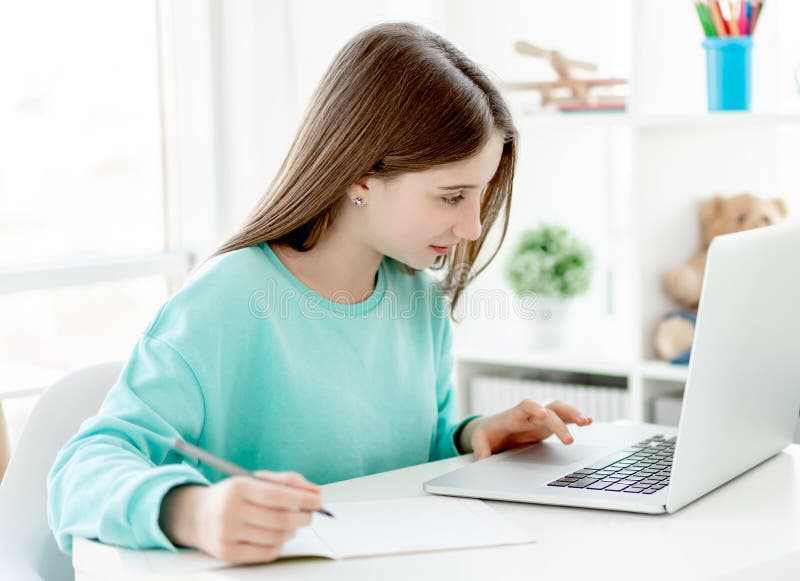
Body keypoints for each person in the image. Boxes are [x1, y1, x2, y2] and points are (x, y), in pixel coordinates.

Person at [47, 21, 592, 565]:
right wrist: (196, 512)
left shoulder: (418, 303)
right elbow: (80, 474)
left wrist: (472, 437)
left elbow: (407, 458)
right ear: (360, 178)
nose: (472, 226)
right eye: (452, 197)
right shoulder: (224, 301)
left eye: (480, 195)